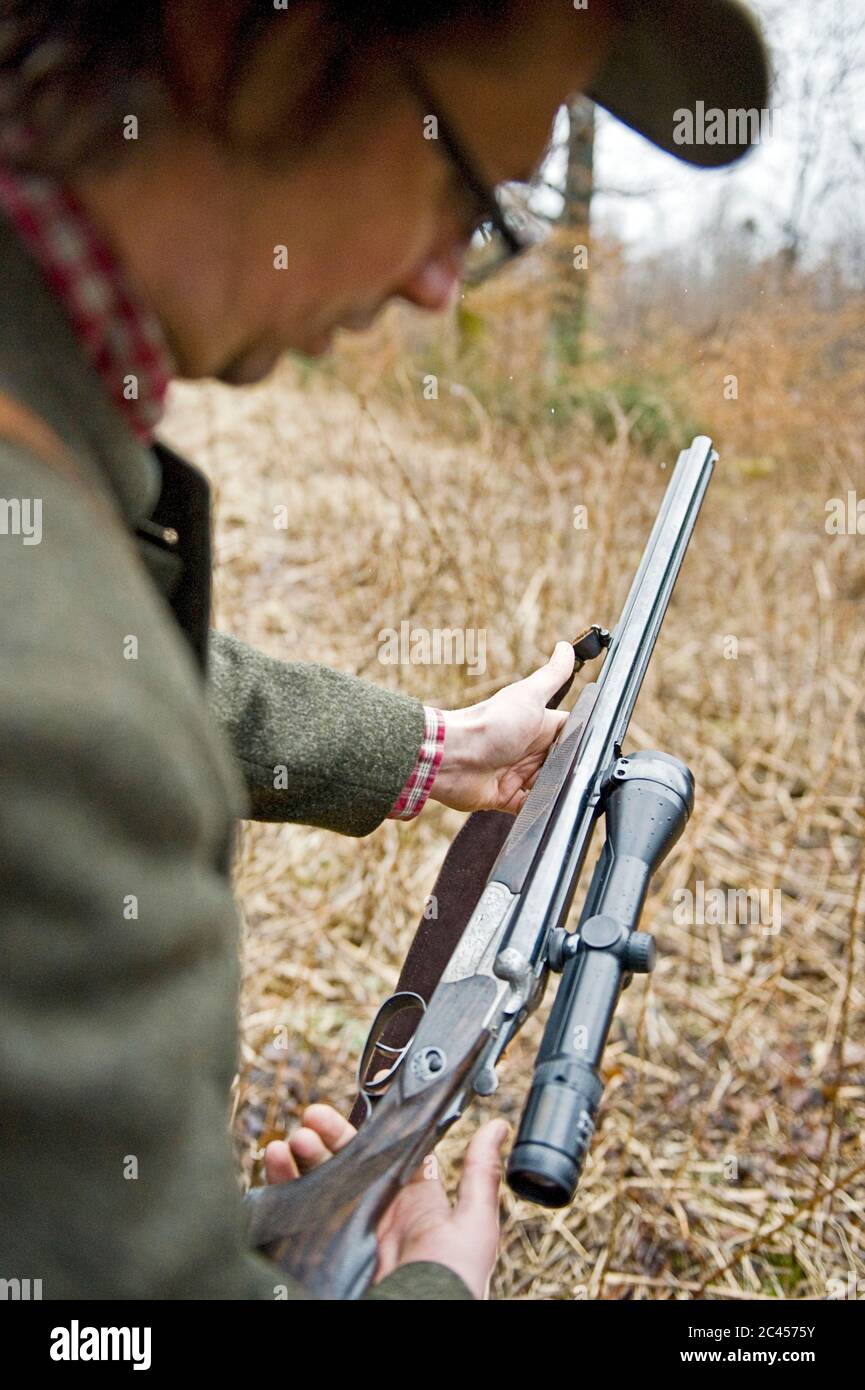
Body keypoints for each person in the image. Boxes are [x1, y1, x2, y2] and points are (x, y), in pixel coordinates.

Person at [0, 1, 768, 1299]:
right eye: (468, 192)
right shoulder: (65, 716)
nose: (434, 283)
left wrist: (440, 750)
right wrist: (428, 1284)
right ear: (243, 37)